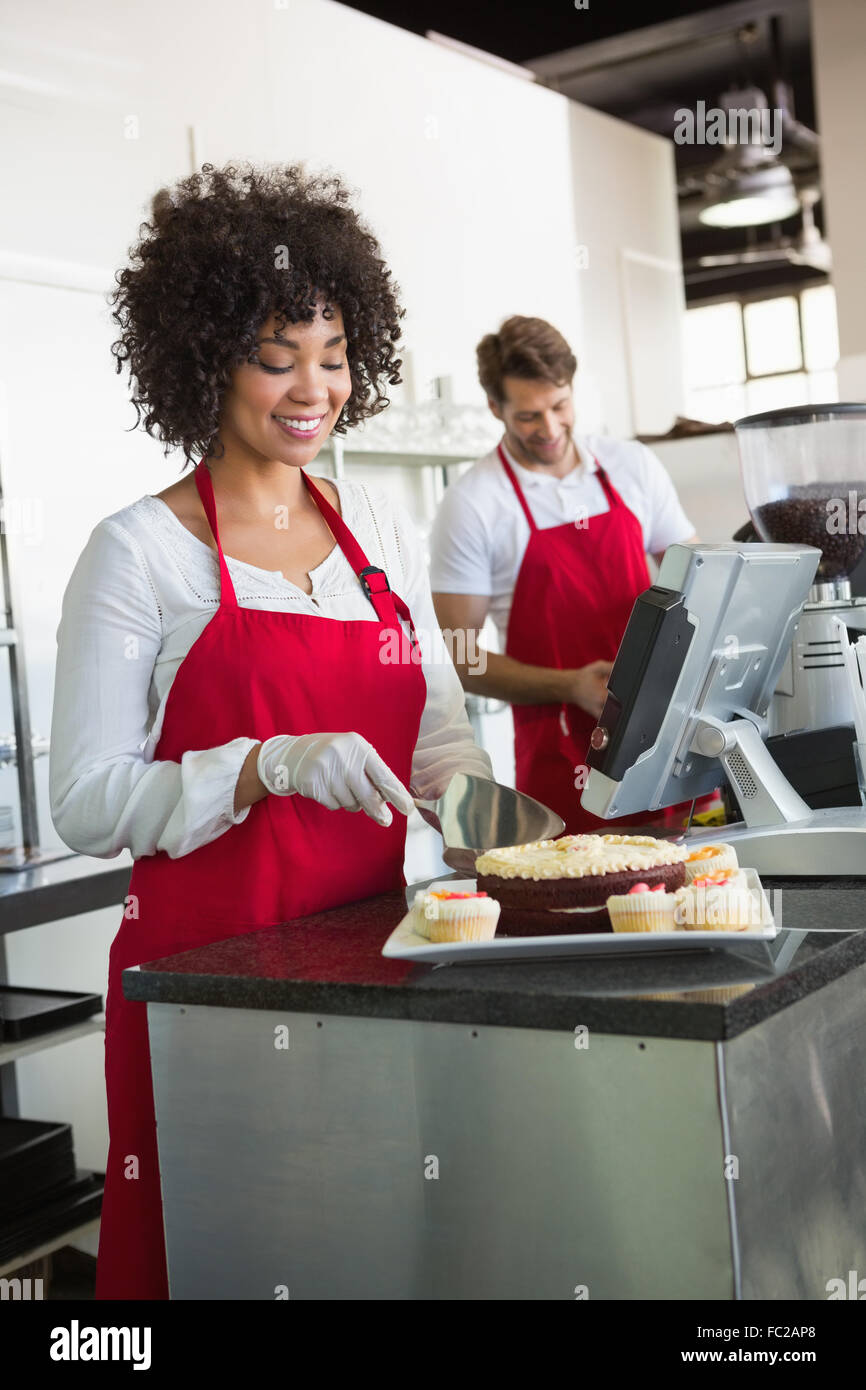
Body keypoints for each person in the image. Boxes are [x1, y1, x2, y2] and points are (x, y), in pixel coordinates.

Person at [49, 162, 492, 1300]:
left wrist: (484, 819)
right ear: (205, 359)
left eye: (334, 357)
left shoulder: (374, 529)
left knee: (381, 1260)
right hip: (211, 1000)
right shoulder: (138, 552)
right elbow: (87, 799)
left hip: (379, 971)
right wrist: (263, 765)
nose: (313, 389)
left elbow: (439, 736)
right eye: (275, 355)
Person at [429, 315, 701, 834]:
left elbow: (699, 584)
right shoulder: (474, 502)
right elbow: (455, 654)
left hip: (664, 738)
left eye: (560, 407)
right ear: (496, 408)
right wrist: (569, 685)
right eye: (529, 415)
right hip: (562, 756)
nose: (550, 430)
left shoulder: (632, 466)